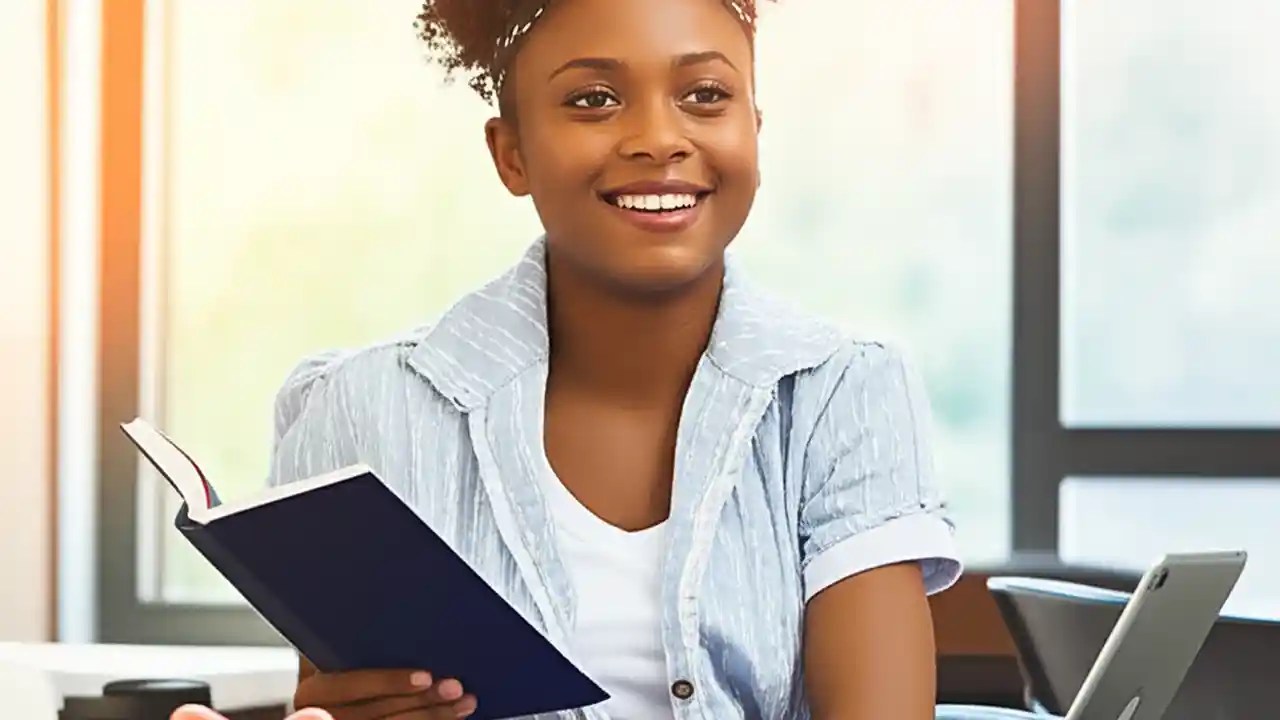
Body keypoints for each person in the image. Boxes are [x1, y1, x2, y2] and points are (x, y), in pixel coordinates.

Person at [181, 0, 963, 718]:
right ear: (511, 153)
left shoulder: (843, 396)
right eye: (593, 99)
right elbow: (331, 700)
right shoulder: (359, 409)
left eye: (705, 96)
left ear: (755, 127)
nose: (659, 136)